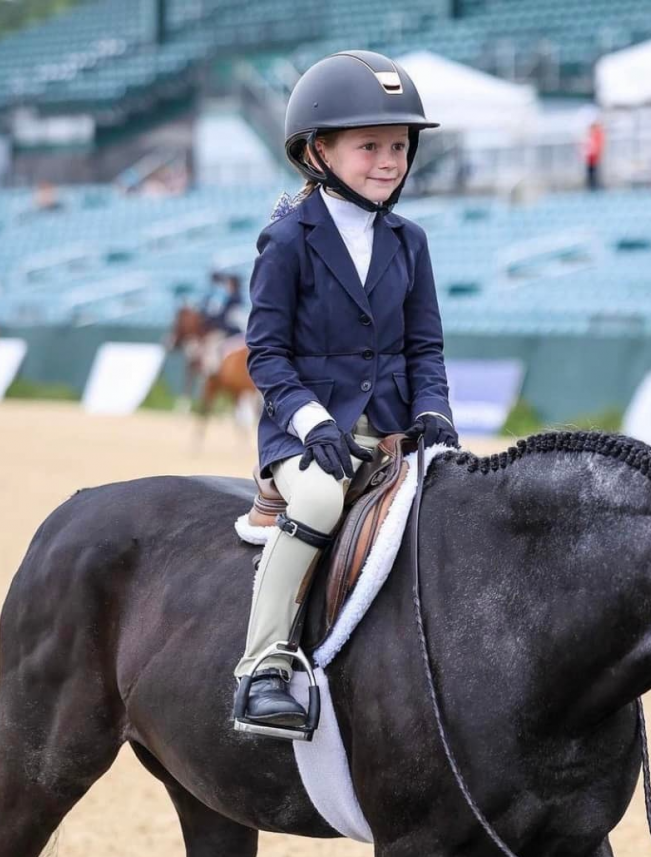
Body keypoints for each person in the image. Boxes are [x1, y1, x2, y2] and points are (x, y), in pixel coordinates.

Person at [236, 49, 459, 730]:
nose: (389, 160)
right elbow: (266, 353)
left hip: (390, 429)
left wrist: (434, 412)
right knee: (320, 497)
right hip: (306, 436)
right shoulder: (287, 240)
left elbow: (424, 347)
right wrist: (310, 422)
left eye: (399, 145)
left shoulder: (410, 241)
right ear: (318, 150)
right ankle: (264, 667)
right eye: (370, 146)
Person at [200, 271, 243, 336]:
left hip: (229, 329)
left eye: (228, 284)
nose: (227, 286)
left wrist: (211, 319)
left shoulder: (234, 298)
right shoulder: (234, 297)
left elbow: (225, 315)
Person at [585, 119, 605, 191]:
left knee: (595, 173)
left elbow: (597, 146)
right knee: (591, 174)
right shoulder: (590, 135)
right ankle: (591, 187)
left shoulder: (597, 135)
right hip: (590, 158)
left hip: (594, 158)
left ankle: (595, 187)